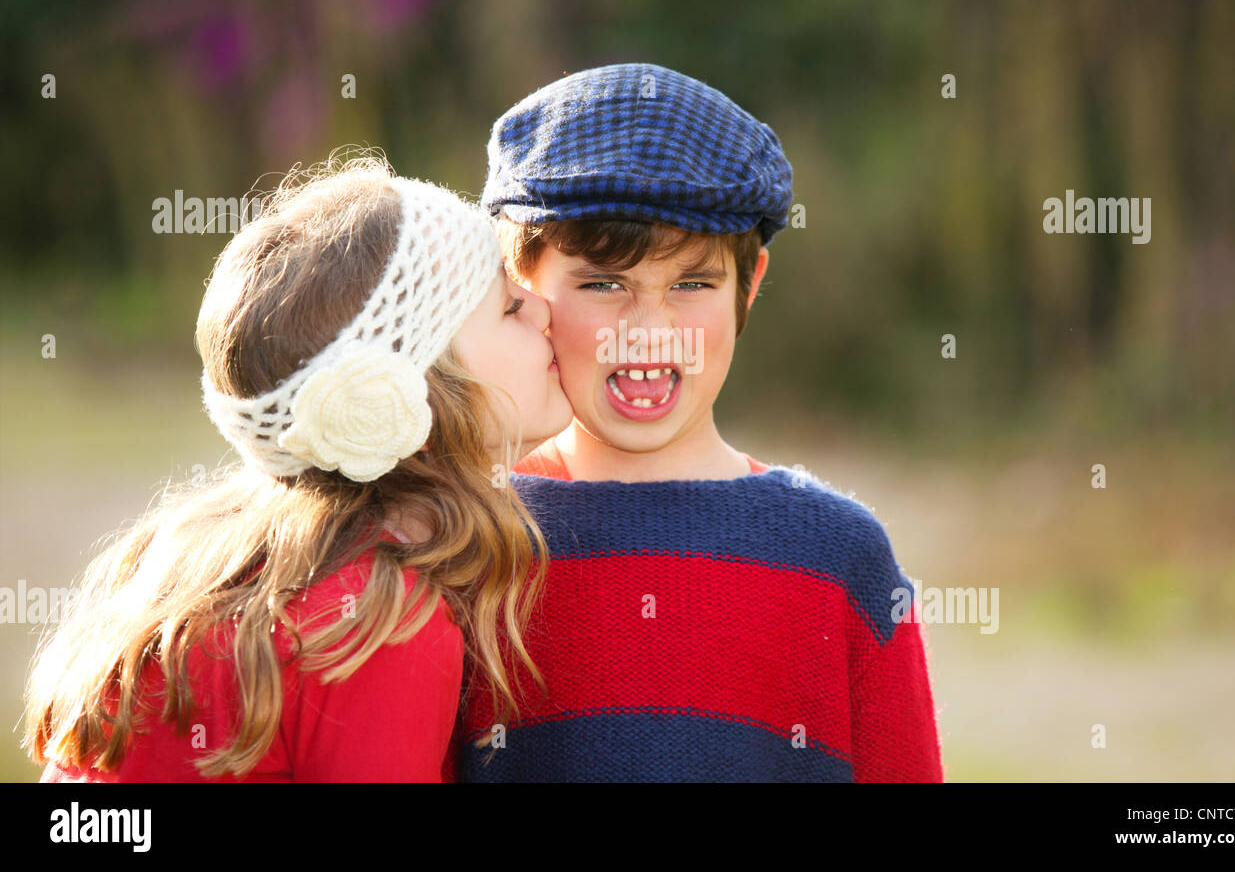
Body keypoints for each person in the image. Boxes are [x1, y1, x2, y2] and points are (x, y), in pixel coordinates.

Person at [442, 63, 944, 781]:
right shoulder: (465, 539)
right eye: (604, 284)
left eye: (692, 284)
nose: (649, 331)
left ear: (752, 285)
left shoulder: (840, 560)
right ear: (520, 286)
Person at [24, 153, 572, 781]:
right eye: (508, 305)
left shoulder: (201, 562)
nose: (543, 306)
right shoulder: (376, 625)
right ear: (411, 393)